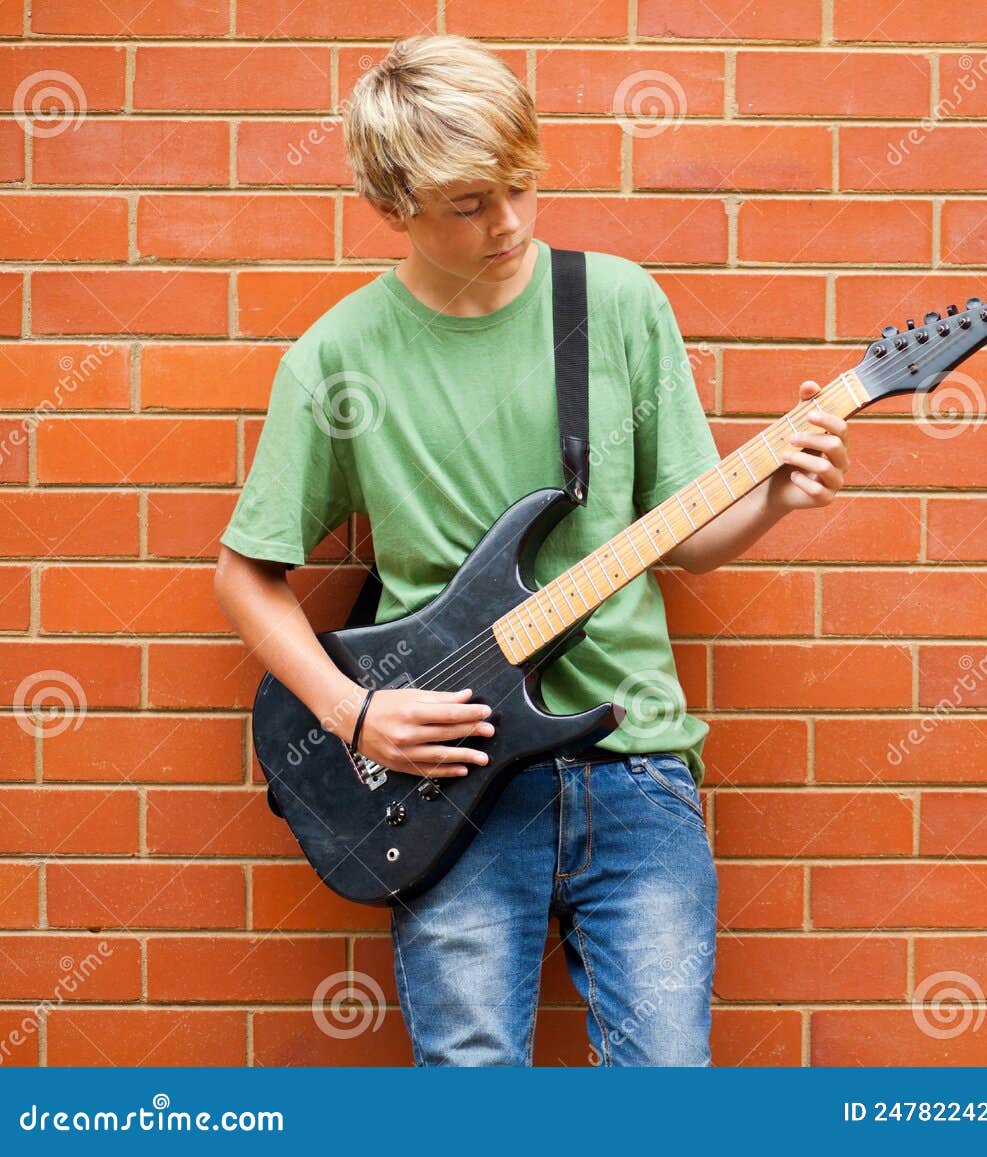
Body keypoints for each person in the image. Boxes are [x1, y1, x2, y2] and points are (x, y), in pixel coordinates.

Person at [211, 33, 850, 1067]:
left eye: (519, 185)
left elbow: (685, 541)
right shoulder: (336, 356)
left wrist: (774, 494)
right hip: (450, 780)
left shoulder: (616, 306)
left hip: (635, 763)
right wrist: (356, 714)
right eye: (468, 203)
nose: (506, 221)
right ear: (392, 206)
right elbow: (245, 575)